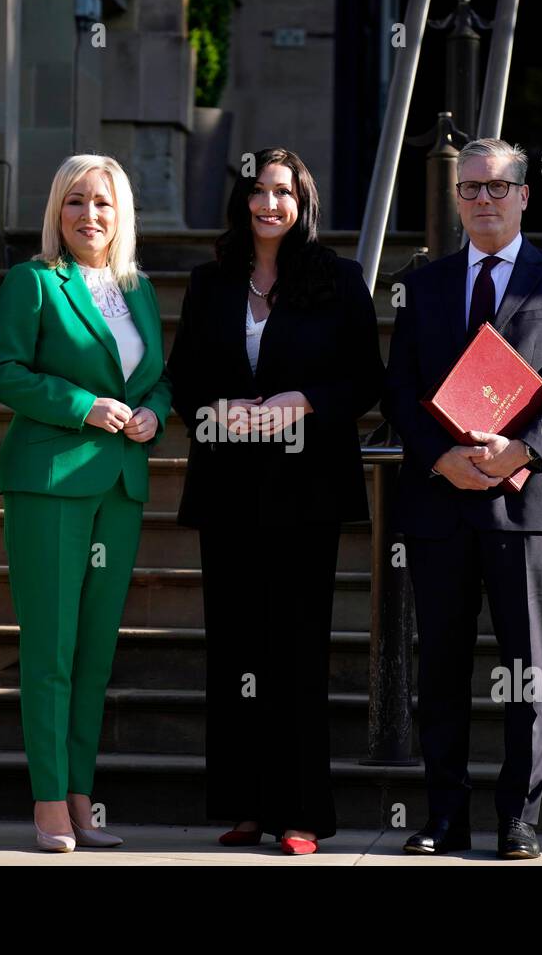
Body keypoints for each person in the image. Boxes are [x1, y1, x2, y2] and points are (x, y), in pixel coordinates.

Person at [383, 137, 542, 859]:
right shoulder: (424, 285)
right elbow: (398, 388)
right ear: (456, 199)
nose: (485, 199)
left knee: (528, 670)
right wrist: (440, 456)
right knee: (440, 669)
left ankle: (520, 818)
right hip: (442, 500)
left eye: (498, 187)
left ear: (524, 193)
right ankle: (445, 817)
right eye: (471, 188)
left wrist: (526, 447)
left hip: (530, 506)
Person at [167, 147, 384, 855]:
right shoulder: (209, 282)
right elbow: (183, 382)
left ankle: (299, 814)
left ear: (302, 202)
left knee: (294, 651)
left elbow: (366, 381)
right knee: (236, 651)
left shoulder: (338, 279)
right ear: (242, 200)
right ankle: (248, 807)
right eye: (258, 191)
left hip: (305, 494)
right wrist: (220, 410)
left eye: (283, 192)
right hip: (228, 490)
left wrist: (306, 401)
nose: (269, 204)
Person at [0, 154, 171, 852]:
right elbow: (1, 370)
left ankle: (83, 792)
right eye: (75, 202)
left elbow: (156, 377)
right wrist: (82, 405)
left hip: (120, 484)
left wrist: (155, 411)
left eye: (102, 204)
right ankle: (48, 799)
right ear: (56, 213)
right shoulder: (36, 281)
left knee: (94, 653)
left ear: (121, 215)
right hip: (50, 482)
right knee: (52, 649)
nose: (88, 216)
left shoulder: (139, 290)